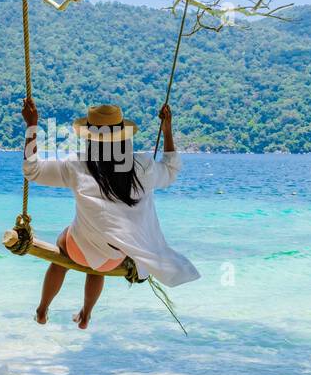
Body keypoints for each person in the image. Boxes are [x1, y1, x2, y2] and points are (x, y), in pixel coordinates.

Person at [21, 99, 199, 328]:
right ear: (123, 136)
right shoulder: (142, 167)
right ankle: (86, 314)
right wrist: (167, 130)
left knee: (62, 249)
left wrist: (32, 126)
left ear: (89, 137)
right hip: (113, 258)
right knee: (101, 255)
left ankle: (43, 309)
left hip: (77, 250)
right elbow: (172, 170)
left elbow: (32, 171)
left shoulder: (77, 165)